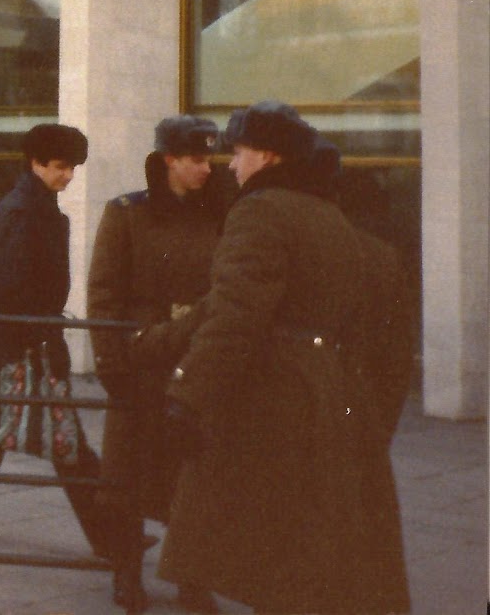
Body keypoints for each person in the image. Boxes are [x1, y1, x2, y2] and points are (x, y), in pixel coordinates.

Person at [158, 102, 412, 614]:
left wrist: (186, 395)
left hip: (274, 405)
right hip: (328, 400)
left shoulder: (261, 210)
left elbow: (235, 315)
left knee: (267, 549)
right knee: (308, 558)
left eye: (240, 152)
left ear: (269, 156)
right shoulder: (330, 218)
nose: (231, 164)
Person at [0, 123, 114, 559]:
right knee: (66, 441)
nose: (68, 175)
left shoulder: (31, 205)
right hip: (28, 344)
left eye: (72, 168)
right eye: (61, 167)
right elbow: (10, 283)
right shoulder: (25, 211)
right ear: (36, 163)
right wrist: (35, 341)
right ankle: (112, 533)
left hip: (20, 342)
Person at [87, 116, 230, 614]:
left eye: (209, 158)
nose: (205, 169)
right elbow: (103, 294)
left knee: (192, 478)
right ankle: (126, 576)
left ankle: (192, 579)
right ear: (169, 159)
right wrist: (110, 364)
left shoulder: (219, 214)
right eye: (195, 159)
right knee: (128, 479)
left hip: (194, 363)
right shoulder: (128, 214)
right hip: (141, 364)